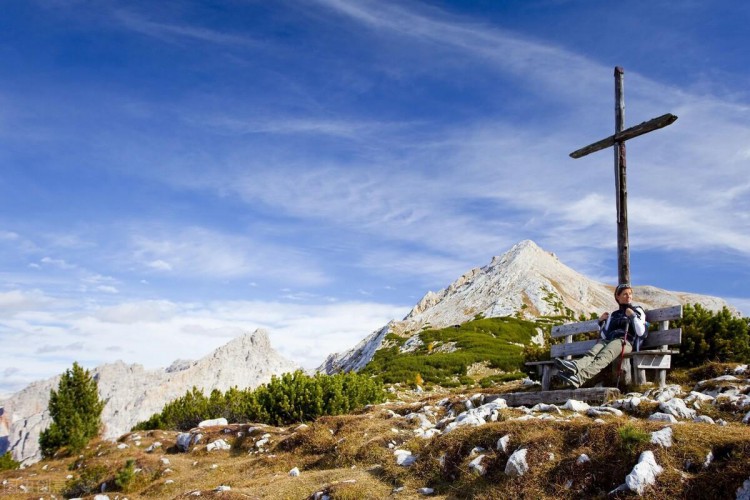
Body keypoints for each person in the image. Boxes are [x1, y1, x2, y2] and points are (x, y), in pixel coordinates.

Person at [554, 283, 646, 388]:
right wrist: (601, 322)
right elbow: (604, 335)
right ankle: (575, 367)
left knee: (604, 356)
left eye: (630, 294)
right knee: (592, 353)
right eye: (625, 294)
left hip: (624, 342)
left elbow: (641, 332)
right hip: (609, 340)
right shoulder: (613, 315)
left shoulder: (638, 310)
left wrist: (633, 316)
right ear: (617, 296)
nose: (628, 296)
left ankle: (579, 378)